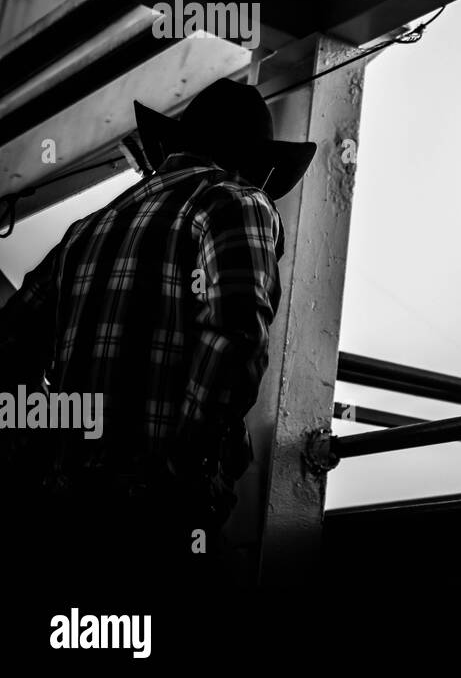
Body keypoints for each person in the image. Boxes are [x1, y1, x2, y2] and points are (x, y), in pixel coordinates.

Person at [0, 77, 316, 595]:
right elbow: (234, 333)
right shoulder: (236, 201)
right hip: (152, 520)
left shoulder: (87, 229)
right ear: (250, 164)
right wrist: (185, 470)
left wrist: (42, 455)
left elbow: (6, 349)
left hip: (57, 514)